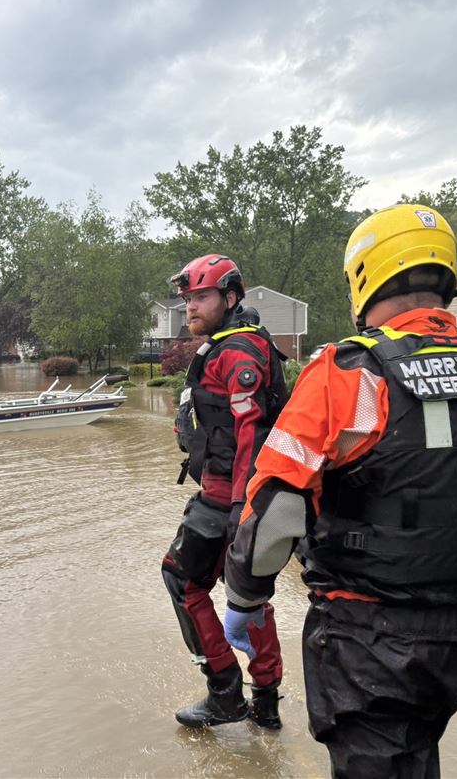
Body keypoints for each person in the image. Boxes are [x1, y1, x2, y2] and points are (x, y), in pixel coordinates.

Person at [222, 204, 457, 778]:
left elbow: (276, 505)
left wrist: (245, 598)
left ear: (365, 278)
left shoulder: (349, 372)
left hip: (368, 638)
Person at [161, 254, 288, 729]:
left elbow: (250, 433)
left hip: (231, 495)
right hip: (242, 493)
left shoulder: (237, 352)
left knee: (181, 579)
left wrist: (240, 507)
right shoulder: (234, 344)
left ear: (230, 297)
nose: (190, 307)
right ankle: (267, 704)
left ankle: (225, 693)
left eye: (201, 297)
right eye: (188, 298)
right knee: (249, 597)